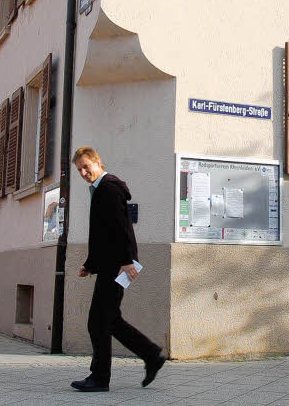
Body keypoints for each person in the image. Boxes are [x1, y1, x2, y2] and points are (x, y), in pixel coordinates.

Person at [71, 146, 166, 392]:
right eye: (79, 170)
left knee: (98, 322)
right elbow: (103, 234)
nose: (83, 173)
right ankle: (151, 355)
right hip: (111, 265)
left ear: (97, 162)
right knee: (109, 319)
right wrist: (90, 265)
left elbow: (121, 227)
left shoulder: (108, 189)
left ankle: (100, 378)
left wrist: (126, 261)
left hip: (116, 267)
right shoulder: (101, 189)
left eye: (86, 167)